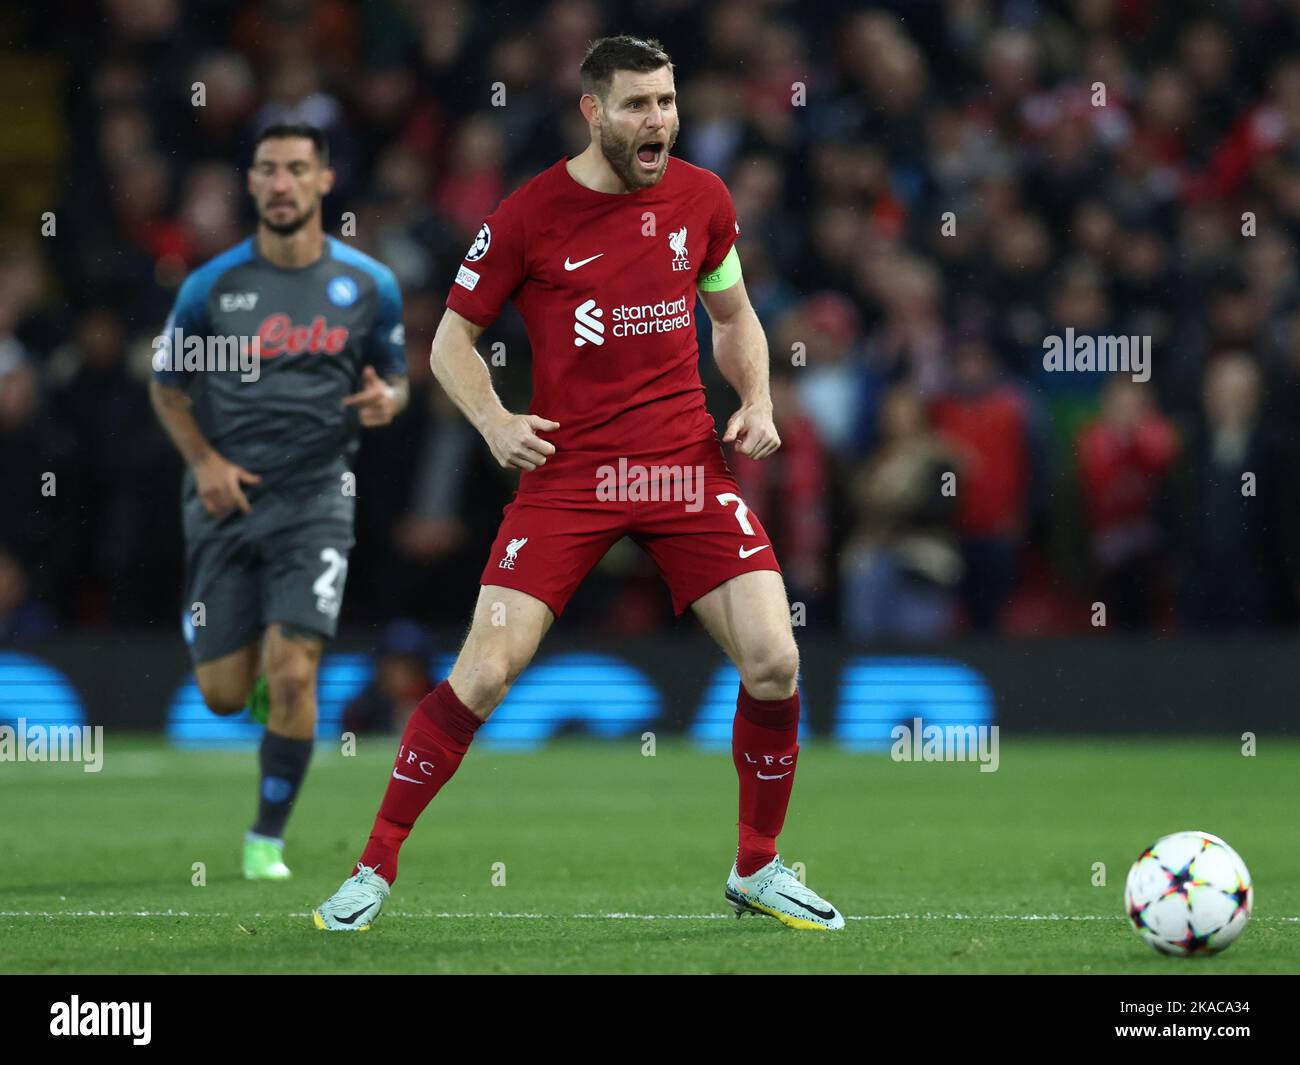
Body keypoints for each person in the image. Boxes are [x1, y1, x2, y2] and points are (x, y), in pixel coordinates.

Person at [314, 36, 843, 933]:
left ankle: (757, 867)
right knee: (482, 672)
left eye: (668, 103)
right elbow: (450, 342)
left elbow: (735, 313)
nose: (660, 122)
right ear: (593, 112)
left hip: (682, 466)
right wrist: (496, 423)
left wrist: (753, 397)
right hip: (571, 477)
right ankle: (372, 869)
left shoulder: (703, 200)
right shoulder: (527, 216)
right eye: (638, 105)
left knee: (776, 660)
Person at [150, 124, 408, 880]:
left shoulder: (368, 286)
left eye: (298, 168)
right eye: (267, 169)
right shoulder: (211, 287)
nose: (282, 183)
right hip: (226, 499)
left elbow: (394, 375)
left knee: (296, 672)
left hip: (319, 495)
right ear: (253, 183)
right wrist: (204, 461)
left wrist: (389, 397)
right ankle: (258, 670)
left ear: (325, 180)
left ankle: (266, 837)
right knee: (225, 696)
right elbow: (166, 387)